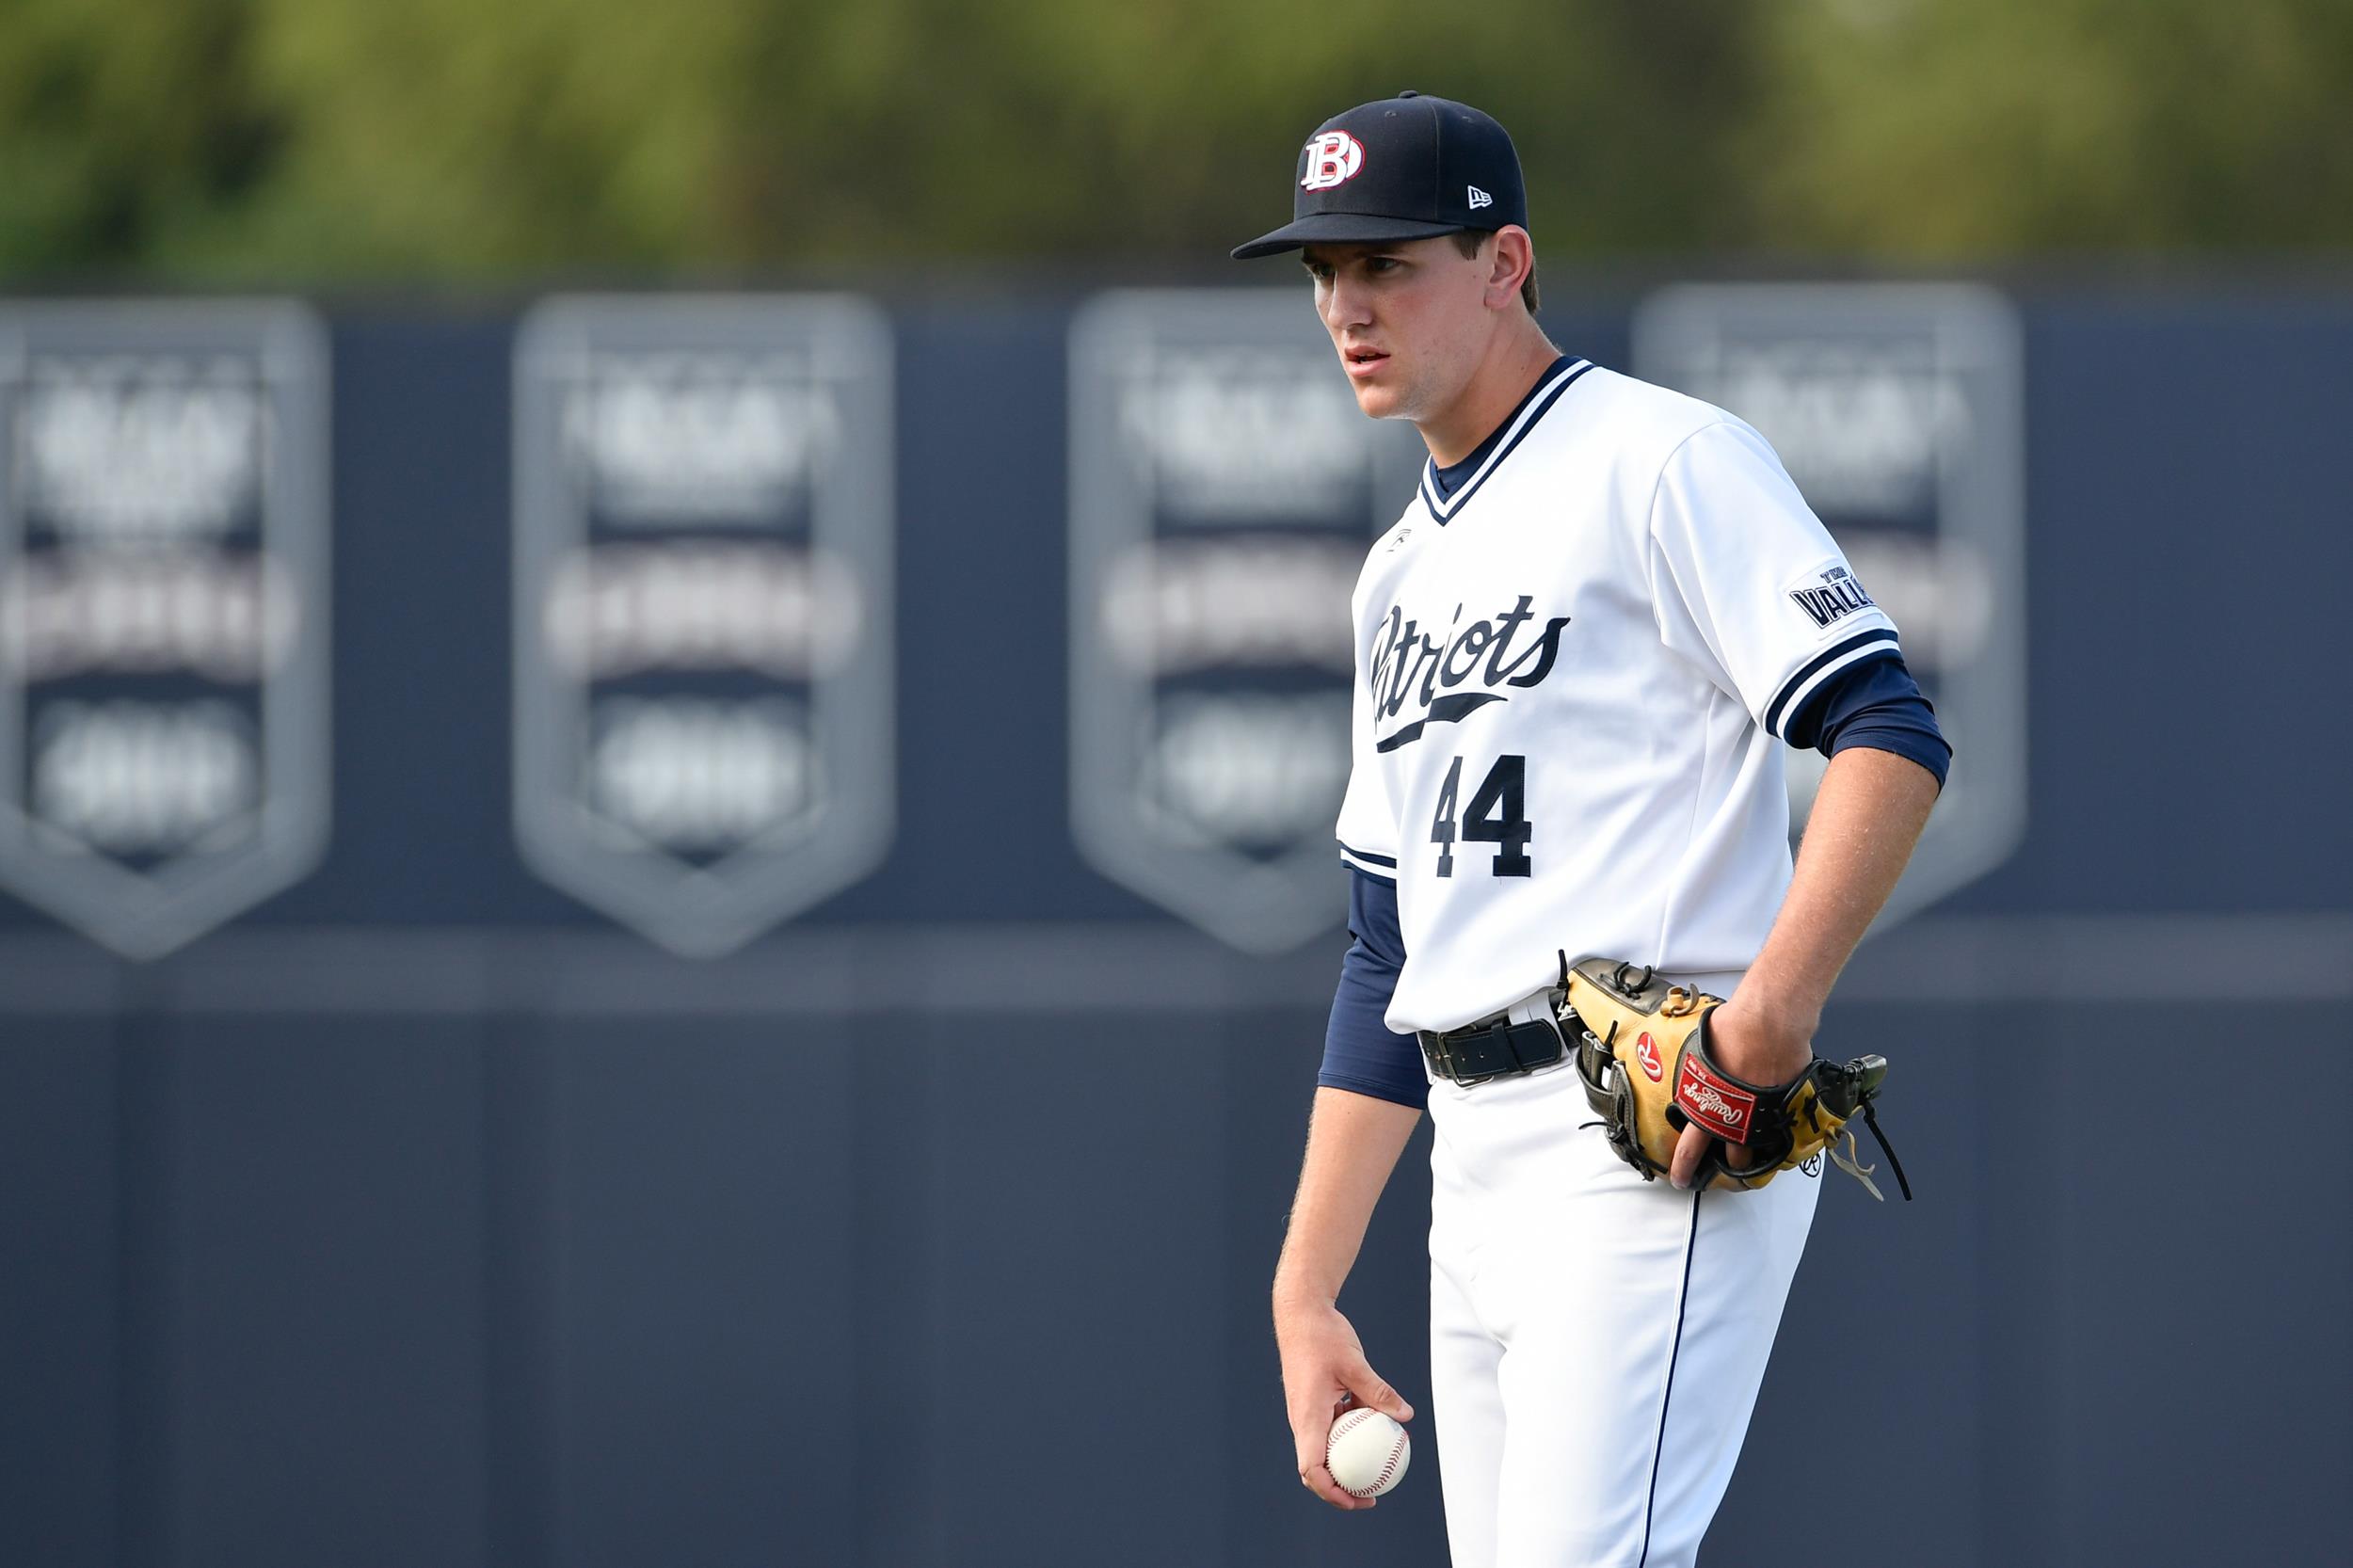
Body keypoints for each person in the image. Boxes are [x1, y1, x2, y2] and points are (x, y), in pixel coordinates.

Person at [1232, 92, 1951, 1568]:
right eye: (1324, 273)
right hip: (1472, 1157)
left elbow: (1887, 731)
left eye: (1390, 265)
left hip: (1641, 1129)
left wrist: (1769, 1018)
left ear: (1506, 265)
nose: (1345, 307)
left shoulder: (1661, 460)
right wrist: (1307, 1282)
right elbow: (1388, 947)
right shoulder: (1394, 577)